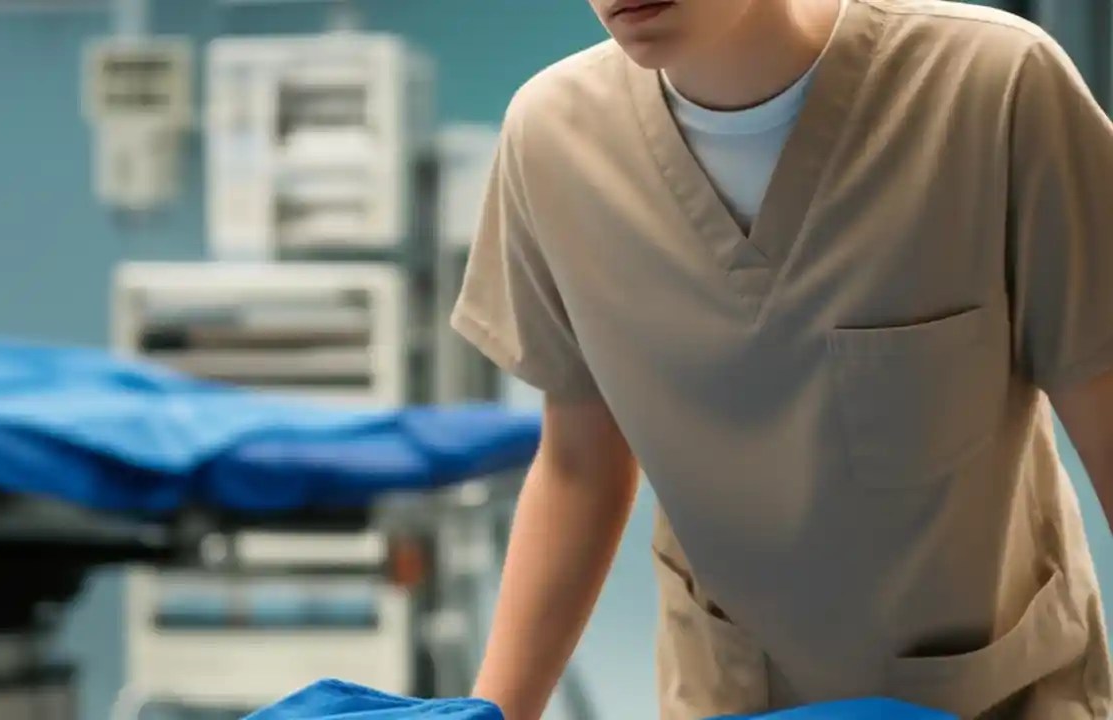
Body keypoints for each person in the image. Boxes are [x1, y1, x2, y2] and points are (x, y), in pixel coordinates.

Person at [450, 0, 1113, 718]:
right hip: (728, 700)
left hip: (994, 700)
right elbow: (580, 465)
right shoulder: (554, 139)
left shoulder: (992, 88)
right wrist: (496, 713)